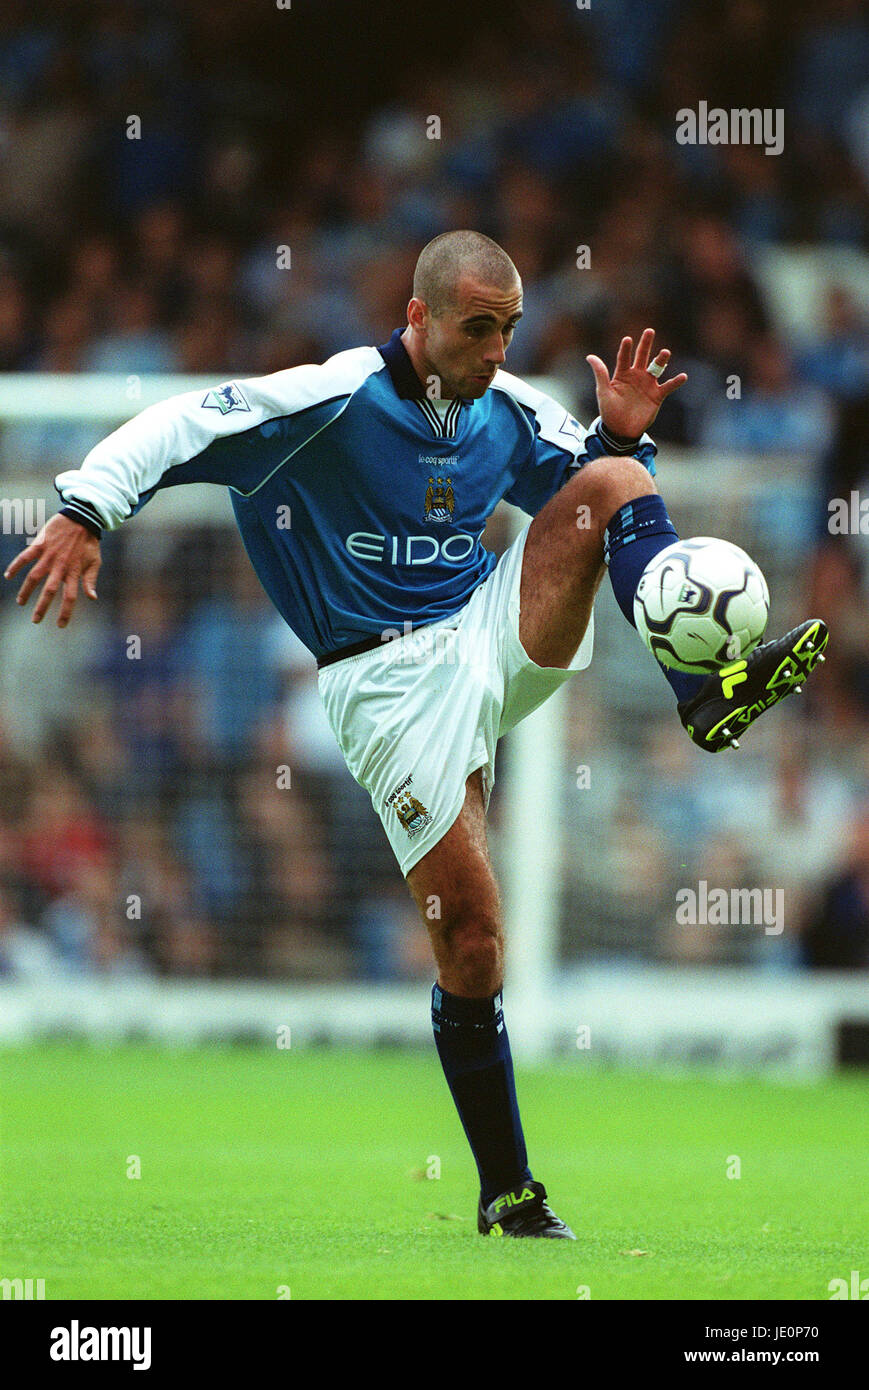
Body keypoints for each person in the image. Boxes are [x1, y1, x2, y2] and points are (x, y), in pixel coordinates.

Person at [5, 230, 828, 1238]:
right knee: (472, 943)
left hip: (486, 629)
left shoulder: (510, 411)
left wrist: (616, 442)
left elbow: (594, 503)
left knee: (612, 485)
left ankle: (700, 687)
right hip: (384, 683)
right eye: (475, 327)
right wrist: (86, 507)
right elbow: (179, 423)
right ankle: (509, 1190)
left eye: (508, 329)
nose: (494, 348)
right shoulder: (332, 401)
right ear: (417, 317)